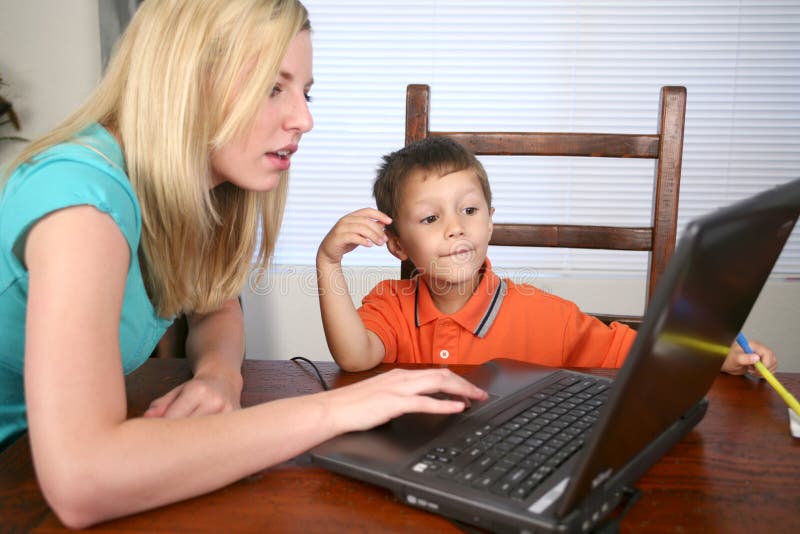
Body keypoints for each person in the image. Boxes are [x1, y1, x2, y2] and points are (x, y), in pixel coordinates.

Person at [0, 1, 488, 528]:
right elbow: (82, 480)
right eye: (272, 88)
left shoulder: (197, 191)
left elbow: (216, 308)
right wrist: (341, 409)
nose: (304, 118)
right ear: (185, 79)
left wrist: (218, 378)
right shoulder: (82, 203)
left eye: (305, 91)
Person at [317, 136, 777, 375]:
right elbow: (356, 358)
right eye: (430, 219)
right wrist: (329, 263)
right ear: (397, 243)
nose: (456, 227)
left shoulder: (546, 317)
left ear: (490, 220)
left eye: (469, 210)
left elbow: (630, 352)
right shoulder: (391, 305)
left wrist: (710, 354)